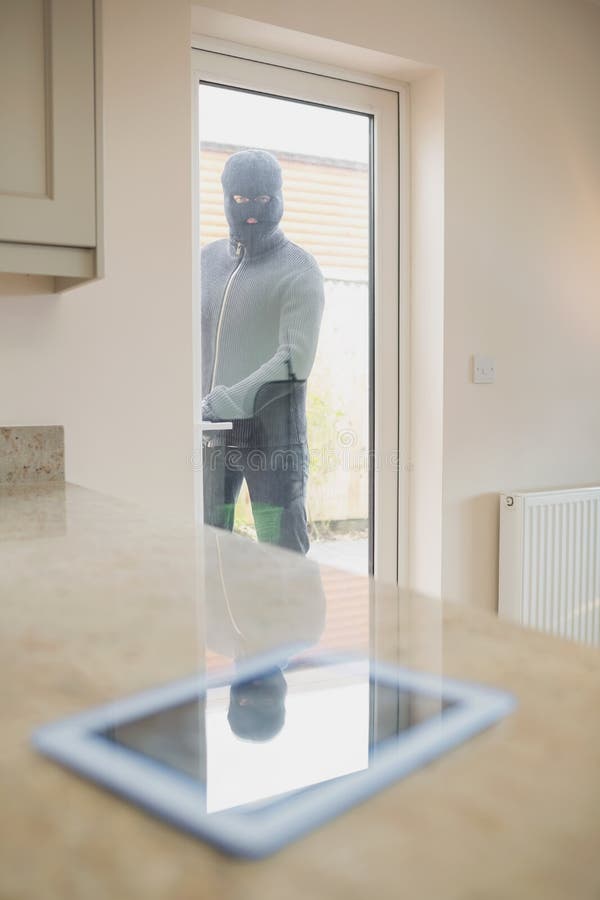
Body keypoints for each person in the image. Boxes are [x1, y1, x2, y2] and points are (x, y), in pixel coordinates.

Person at [201, 149, 324, 554]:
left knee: (282, 556)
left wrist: (222, 402)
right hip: (210, 440)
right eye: (239, 200)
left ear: (280, 197)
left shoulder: (299, 269)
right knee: (208, 547)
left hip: (273, 445)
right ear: (225, 198)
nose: (251, 211)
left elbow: (295, 360)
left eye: (264, 200)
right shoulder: (206, 262)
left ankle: (289, 621)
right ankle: (214, 621)